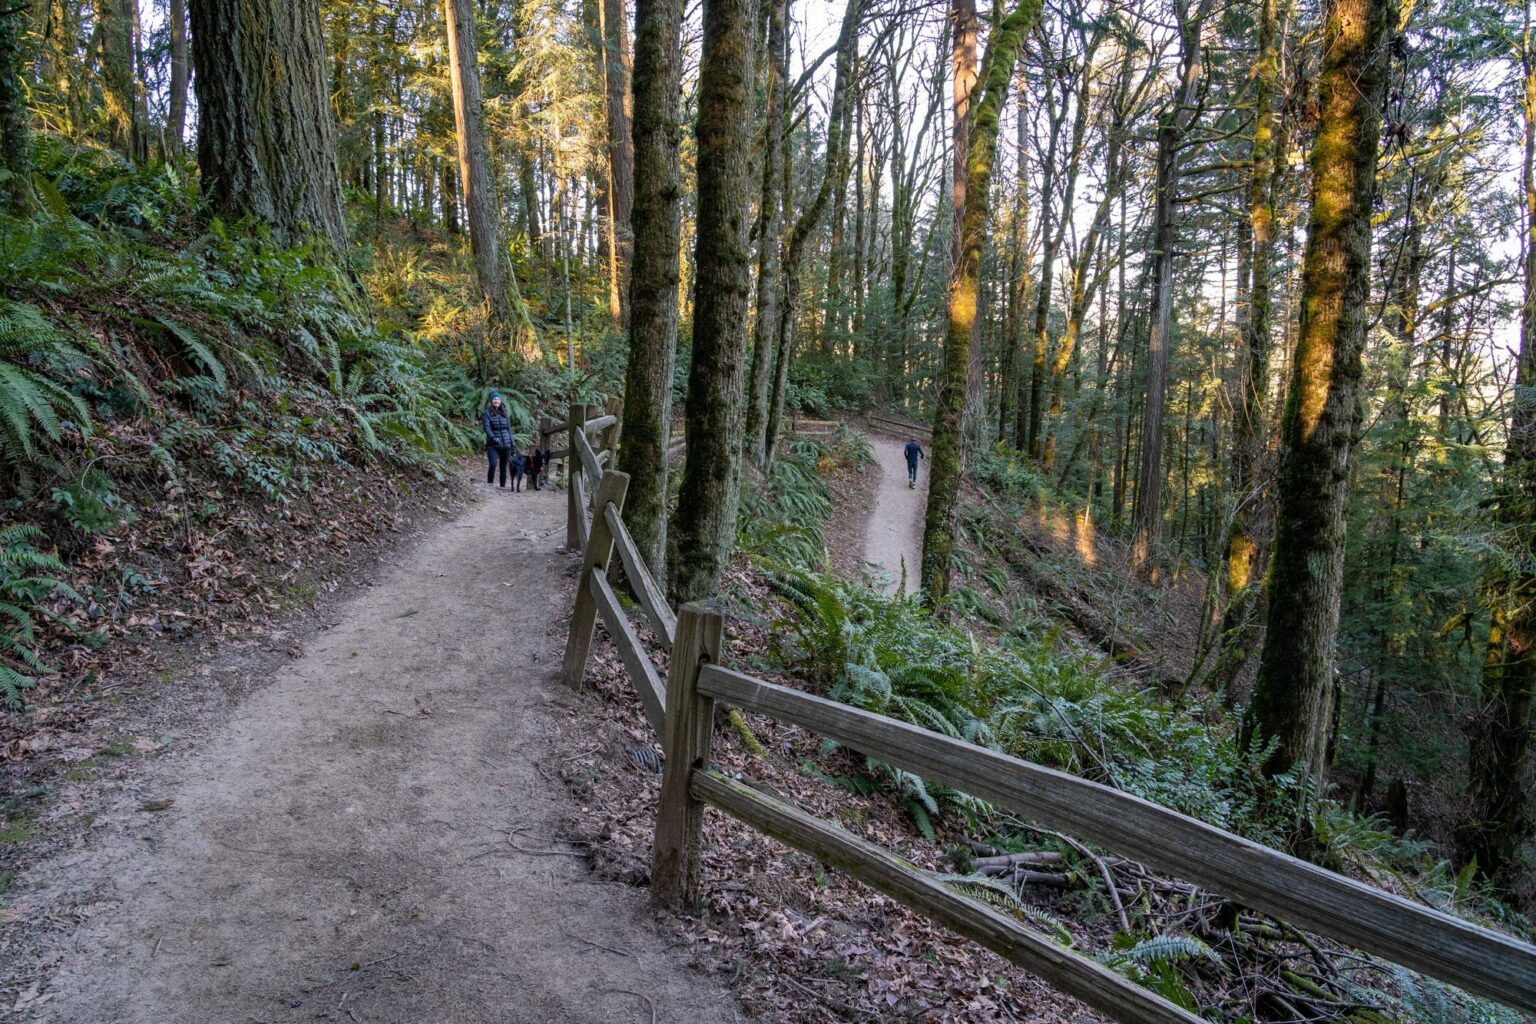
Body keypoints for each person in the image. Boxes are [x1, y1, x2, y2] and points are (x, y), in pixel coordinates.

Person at [482, 392, 516, 489]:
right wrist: (493, 437)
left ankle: (502, 487)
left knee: (503, 467)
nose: (496, 401)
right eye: (494, 399)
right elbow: (486, 428)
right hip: (493, 445)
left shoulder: (505, 413)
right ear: (491, 401)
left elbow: (509, 430)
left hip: (506, 445)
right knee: (493, 464)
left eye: (498, 399)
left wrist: (513, 444)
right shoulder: (487, 413)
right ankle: (489, 485)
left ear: (500, 401)